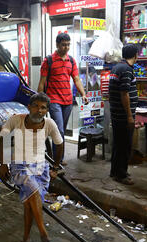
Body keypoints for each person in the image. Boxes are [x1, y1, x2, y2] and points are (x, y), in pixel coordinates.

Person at [0, 92, 64, 242]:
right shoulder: (17, 119)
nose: (39, 110)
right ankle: (44, 237)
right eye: (35, 106)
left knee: (29, 202)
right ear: (29, 107)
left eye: (43, 108)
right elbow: (2, 138)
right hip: (19, 166)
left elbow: (60, 144)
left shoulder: (49, 123)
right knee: (33, 192)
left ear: (47, 110)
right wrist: (3, 164)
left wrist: (55, 167)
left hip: (41, 168)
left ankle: (26, 240)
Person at [37, 32, 89, 163]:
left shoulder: (71, 61)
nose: (66, 47)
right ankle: (57, 160)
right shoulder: (48, 60)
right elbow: (42, 82)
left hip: (68, 100)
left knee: (61, 130)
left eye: (68, 45)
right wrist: (39, 101)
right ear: (57, 45)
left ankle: (59, 157)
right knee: (59, 129)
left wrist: (83, 94)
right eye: (63, 45)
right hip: (53, 100)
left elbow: (76, 79)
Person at [108, 44, 140, 185]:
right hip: (122, 115)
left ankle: (115, 171)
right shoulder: (126, 70)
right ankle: (121, 174)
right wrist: (129, 116)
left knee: (118, 144)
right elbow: (124, 93)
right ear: (135, 55)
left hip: (116, 114)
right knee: (124, 145)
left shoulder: (117, 67)